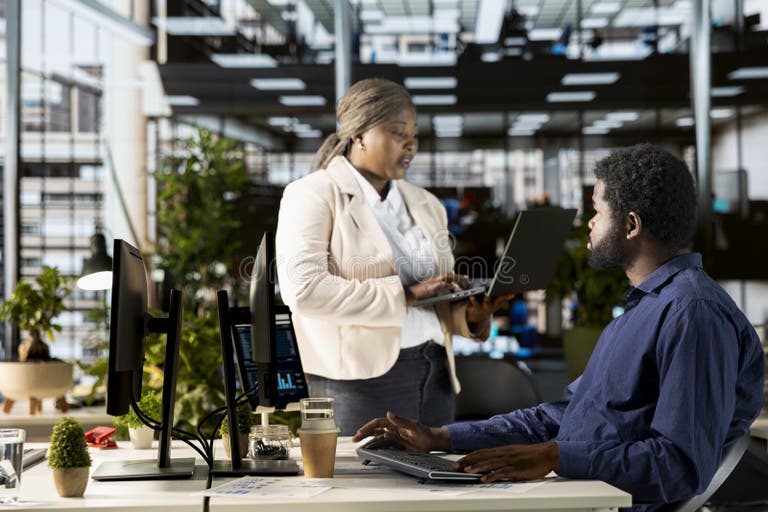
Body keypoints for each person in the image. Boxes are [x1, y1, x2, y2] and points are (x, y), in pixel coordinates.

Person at [354, 144, 765, 511]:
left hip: (598, 503)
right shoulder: (646, 307)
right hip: (573, 493)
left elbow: (680, 465)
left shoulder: (693, 314)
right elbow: (560, 418)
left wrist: (554, 457)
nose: (589, 223)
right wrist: (440, 437)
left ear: (631, 225)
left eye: (598, 212)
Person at [275, 78, 511, 435]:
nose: (411, 144)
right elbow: (305, 290)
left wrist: (470, 314)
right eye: (398, 132)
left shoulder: (427, 204)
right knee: (366, 473)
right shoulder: (313, 194)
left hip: (436, 373)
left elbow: (434, 300)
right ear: (359, 135)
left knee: (437, 471)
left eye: (414, 134)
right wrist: (405, 295)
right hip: (359, 383)